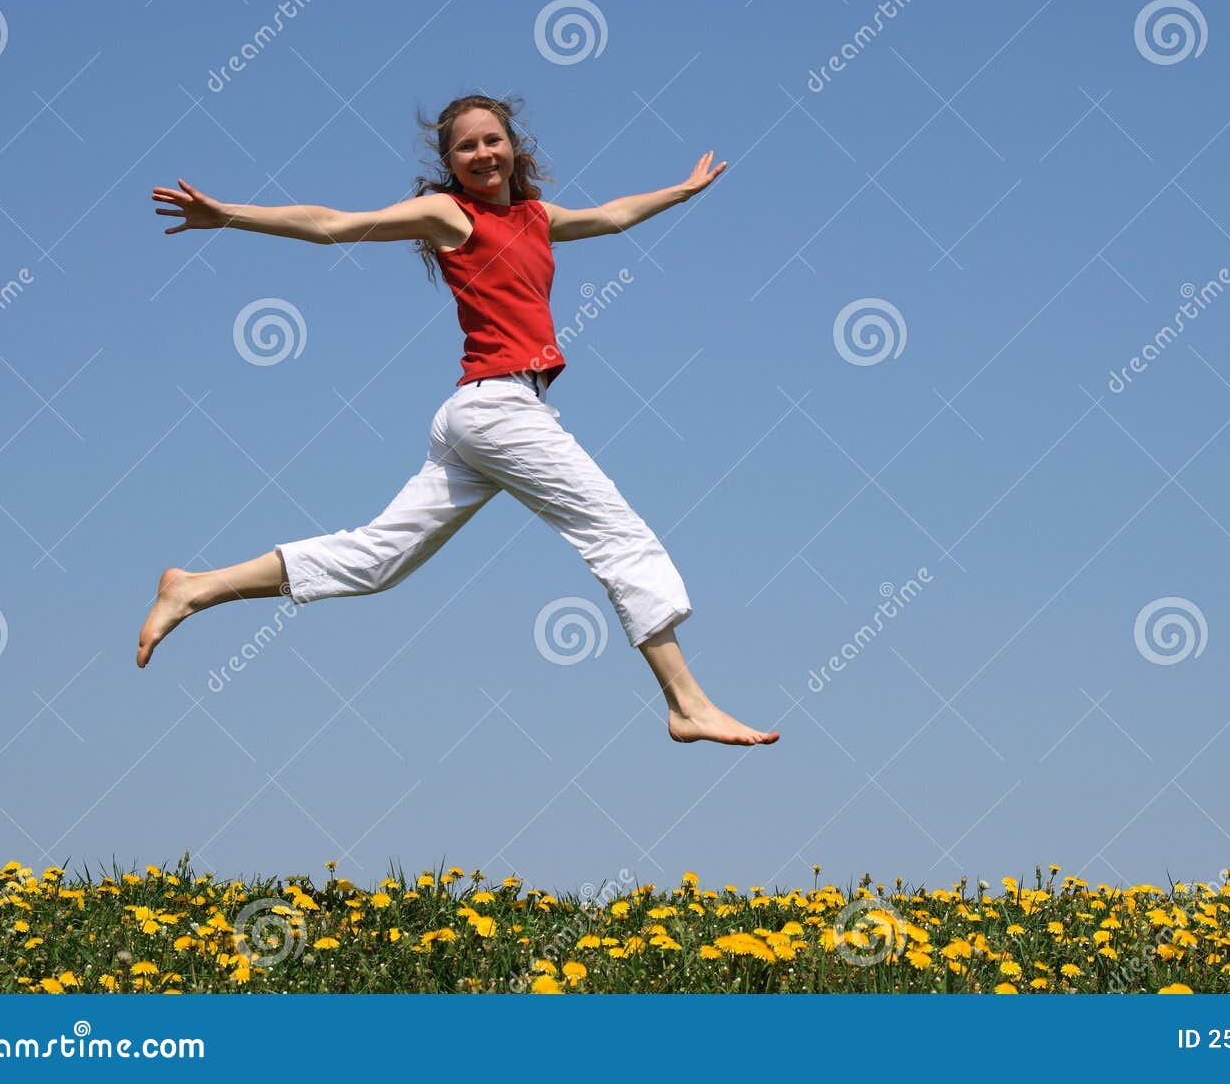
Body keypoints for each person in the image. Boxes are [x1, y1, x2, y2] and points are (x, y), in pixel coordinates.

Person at [136, 93, 778, 747]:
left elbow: (611, 216)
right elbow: (333, 224)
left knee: (381, 559)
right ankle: (687, 703)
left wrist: (681, 191)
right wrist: (227, 214)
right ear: (449, 162)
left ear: (514, 148)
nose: (482, 153)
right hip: (498, 410)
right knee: (616, 533)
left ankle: (195, 587)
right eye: (465, 146)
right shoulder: (449, 214)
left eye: (492, 140)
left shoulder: (536, 217)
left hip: (484, 416)